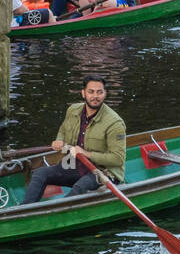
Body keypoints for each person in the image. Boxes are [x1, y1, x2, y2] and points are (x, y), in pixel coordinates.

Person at [21, 75, 126, 203]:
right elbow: (63, 131)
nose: (95, 96)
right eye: (91, 92)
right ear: (83, 93)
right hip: (76, 166)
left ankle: (57, 215)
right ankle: (24, 210)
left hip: (103, 173)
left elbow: (118, 159)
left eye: (100, 92)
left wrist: (86, 153)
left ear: (105, 94)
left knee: (80, 187)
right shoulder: (73, 110)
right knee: (40, 174)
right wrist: (59, 140)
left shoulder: (114, 123)